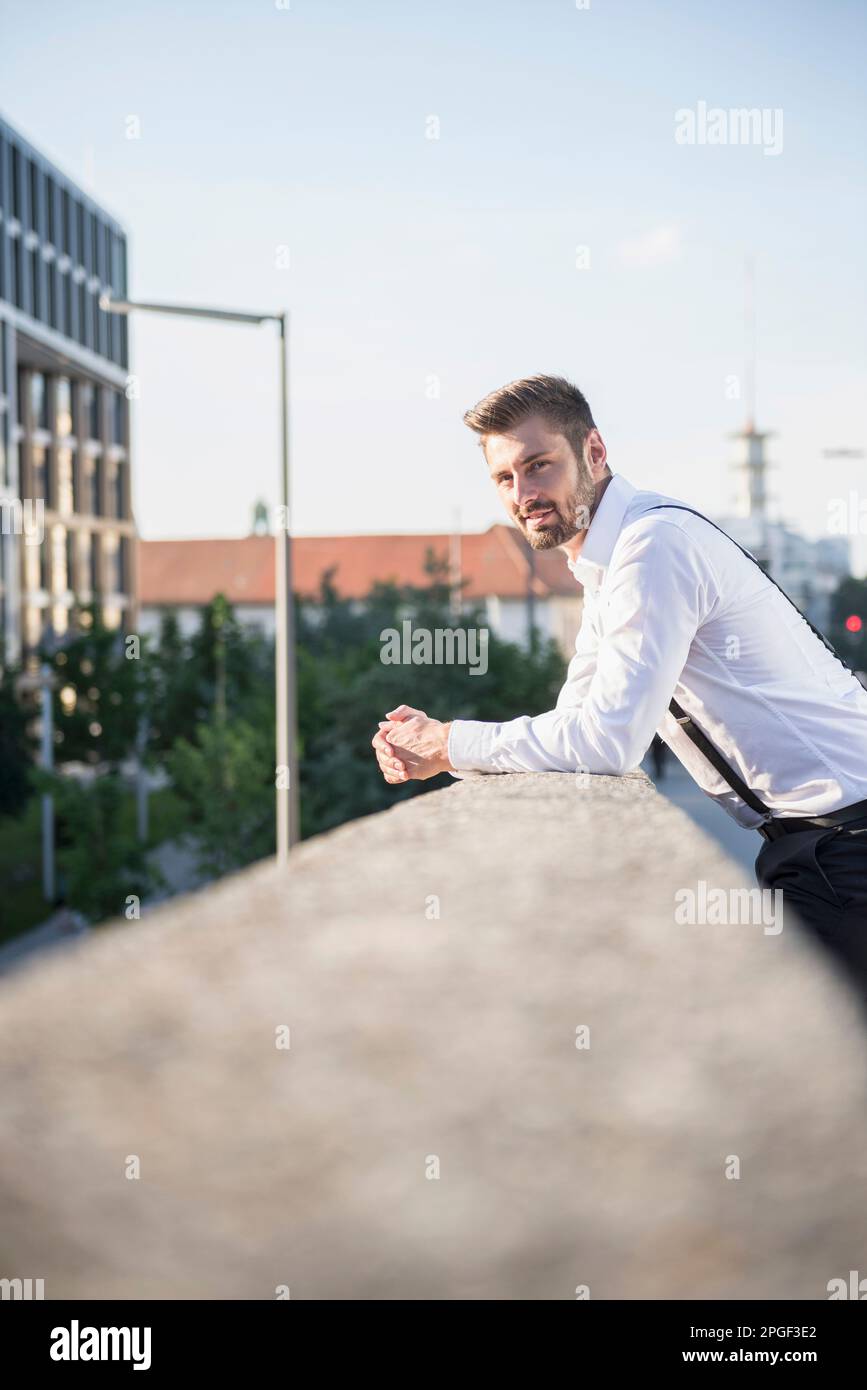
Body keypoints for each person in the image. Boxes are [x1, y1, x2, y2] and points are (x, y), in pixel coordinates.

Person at [371, 375, 867, 996]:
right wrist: (448, 749)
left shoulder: (653, 545)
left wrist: (448, 743)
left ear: (595, 453)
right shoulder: (606, 563)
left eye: (539, 465)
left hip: (846, 843)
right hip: (818, 845)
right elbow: (575, 718)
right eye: (504, 478)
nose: (524, 493)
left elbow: (606, 741)